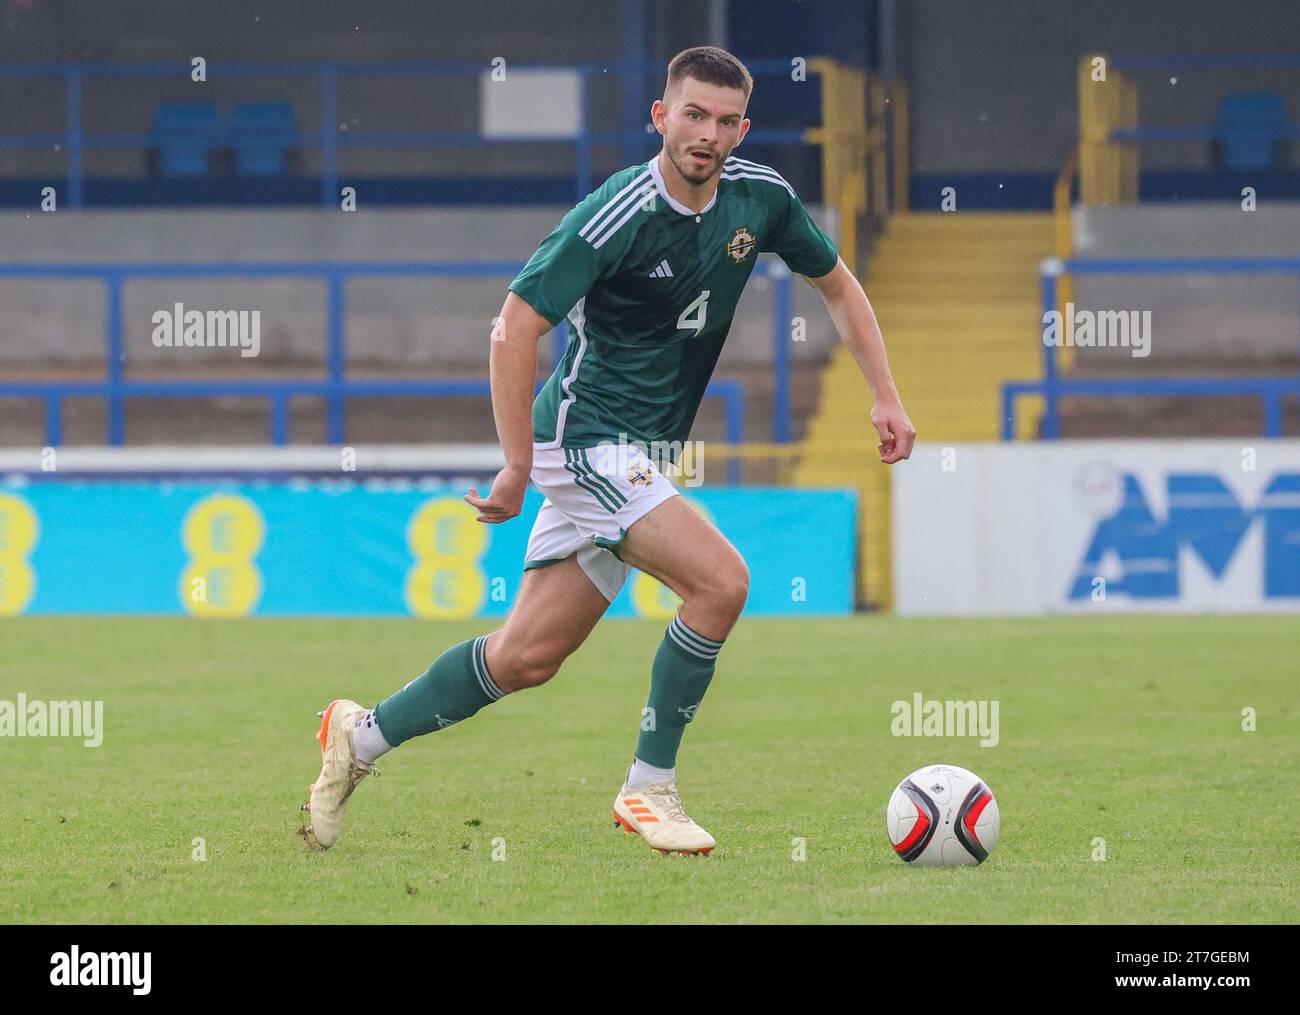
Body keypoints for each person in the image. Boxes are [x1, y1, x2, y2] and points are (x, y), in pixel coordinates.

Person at [301, 45, 915, 855]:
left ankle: (359, 736)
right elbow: (515, 325)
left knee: (526, 657)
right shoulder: (616, 212)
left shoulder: (759, 200)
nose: (708, 133)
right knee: (723, 582)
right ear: (661, 116)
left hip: (639, 455)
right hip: (585, 442)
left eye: (726, 120)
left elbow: (836, 282)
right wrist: (518, 462)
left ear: (743, 129)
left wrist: (886, 392)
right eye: (693, 114)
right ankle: (648, 786)